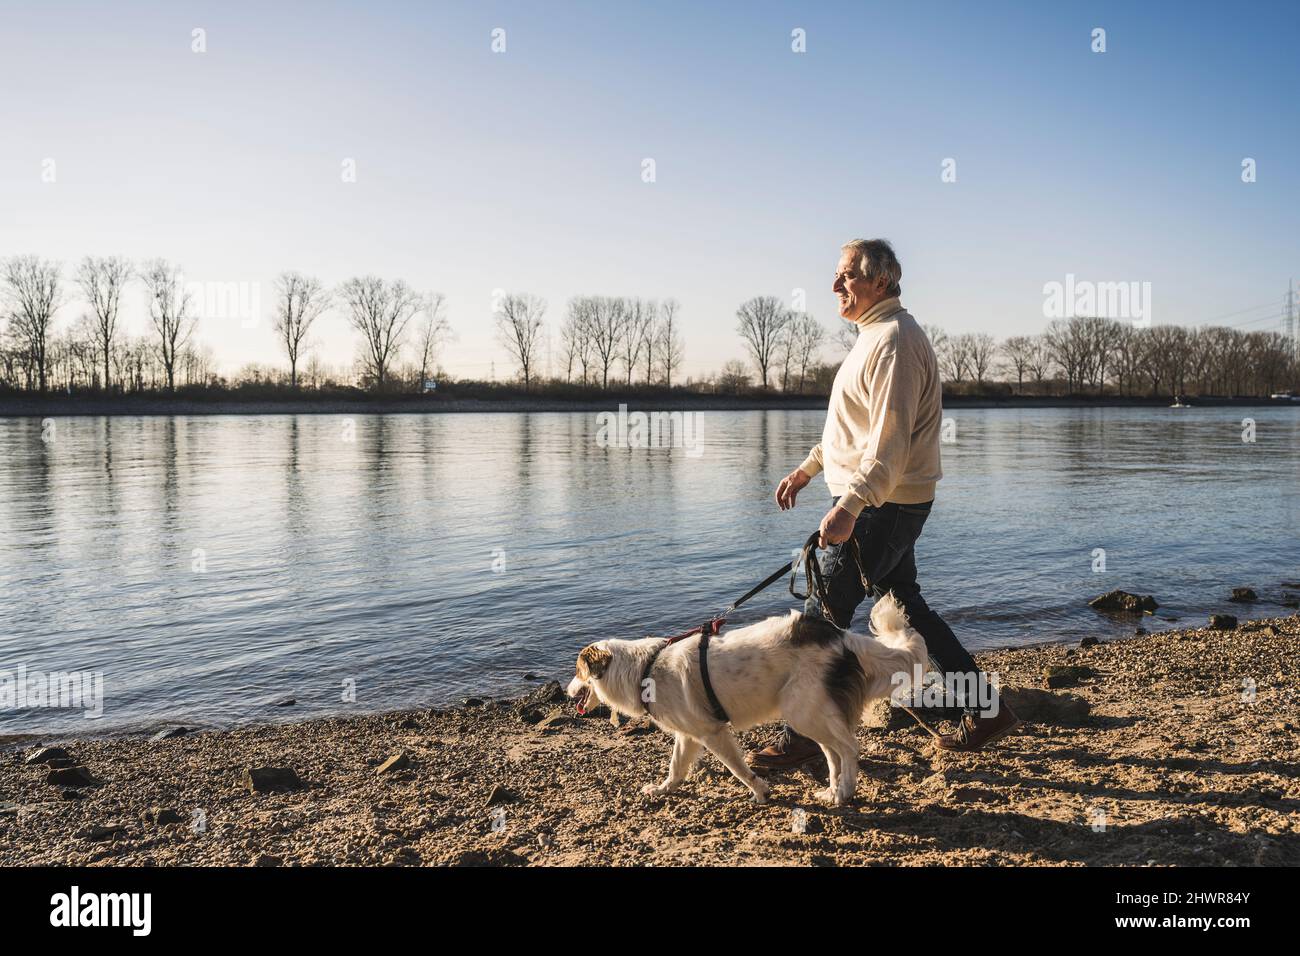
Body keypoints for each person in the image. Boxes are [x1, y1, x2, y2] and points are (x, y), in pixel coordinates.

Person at [748, 238, 1019, 770]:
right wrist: (808, 469)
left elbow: (889, 444)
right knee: (908, 605)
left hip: (883, 504)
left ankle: (802, 737)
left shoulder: (895, 340)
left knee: (820, 617)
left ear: (881, 282)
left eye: (846, 275)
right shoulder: (872, 337)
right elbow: (852, 432)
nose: (834, 285)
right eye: (837, 275)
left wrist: (852, 505)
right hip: (886, 502)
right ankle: (985, 710)